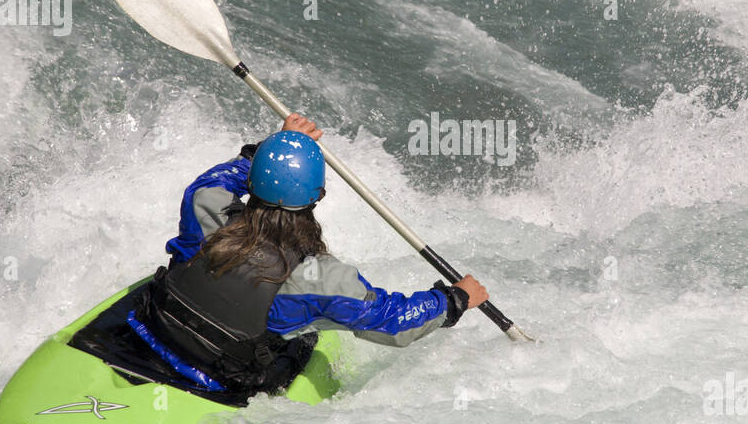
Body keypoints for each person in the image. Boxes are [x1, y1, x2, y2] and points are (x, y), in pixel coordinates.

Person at [126, 114, 488, 400]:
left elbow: (223, 176)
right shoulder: (324, 281)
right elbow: (392, 322)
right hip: (220, 378)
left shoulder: (203, 203)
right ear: (317, 196)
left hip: (150, 330)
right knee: (305, 338)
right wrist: (453, 299)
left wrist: (276, 147)